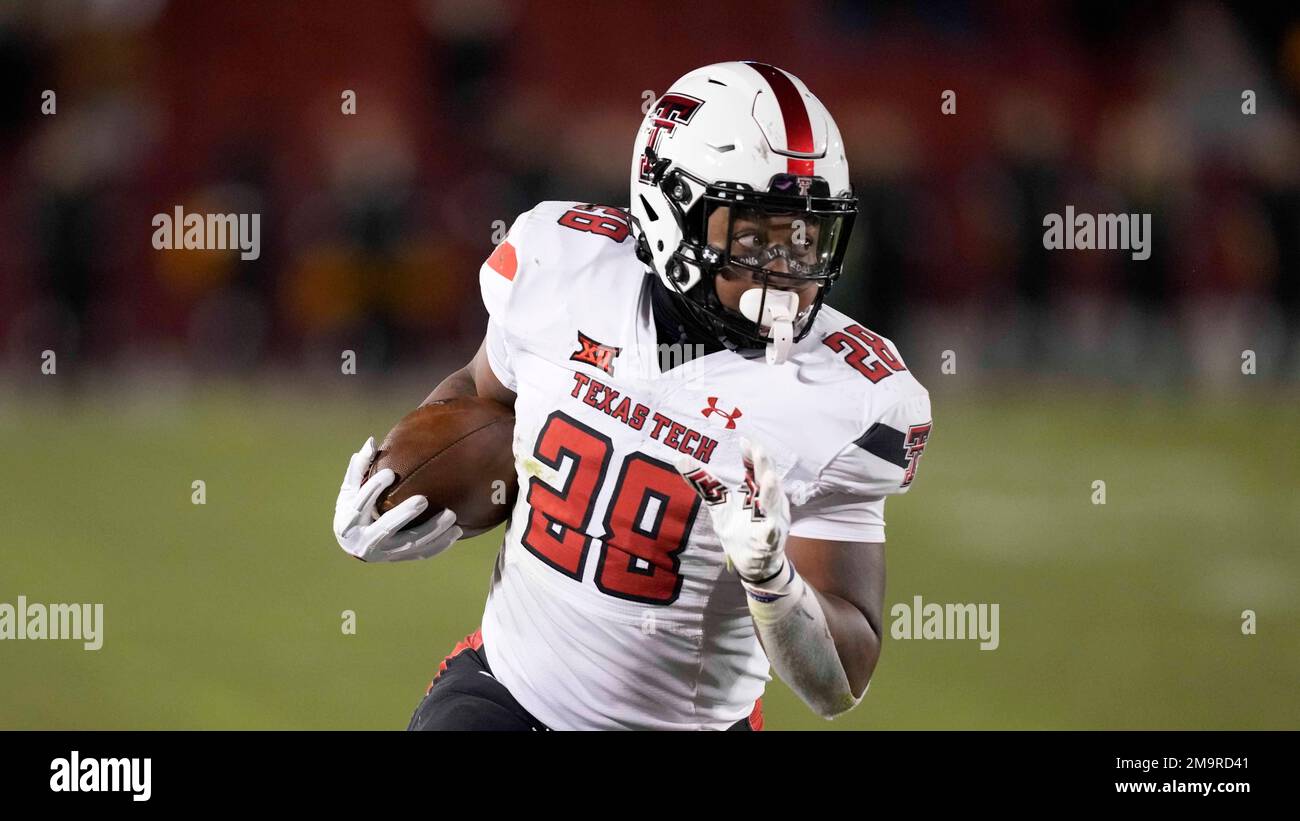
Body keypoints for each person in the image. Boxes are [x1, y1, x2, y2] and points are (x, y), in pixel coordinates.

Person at [333, 62, 933, 730]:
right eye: (756, 237)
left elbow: (838, 682)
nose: (787, 273)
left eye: (805, 236)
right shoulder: (563, 268)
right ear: (671, 212)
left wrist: (772, 580)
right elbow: (482, 397)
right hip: (509, 695)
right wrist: (401, 485)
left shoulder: (846, 394)